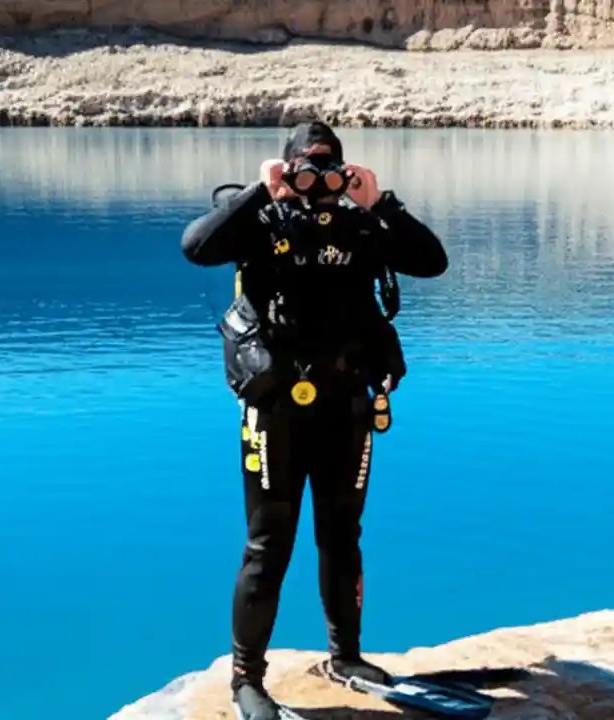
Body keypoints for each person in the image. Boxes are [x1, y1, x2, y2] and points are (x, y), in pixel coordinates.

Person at [180, 120, 448, 720]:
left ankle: (345, 657)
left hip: (347, 405)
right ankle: (247, 680)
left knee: (342, 536)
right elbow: (196, 247)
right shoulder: (259, 220)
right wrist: (260, 194)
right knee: (267, 546)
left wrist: (379, 202)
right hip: (275, 410)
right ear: (287, 168)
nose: (318, 183)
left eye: (330, 170)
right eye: (306, 169)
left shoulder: (362, 223)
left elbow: (433, 261)